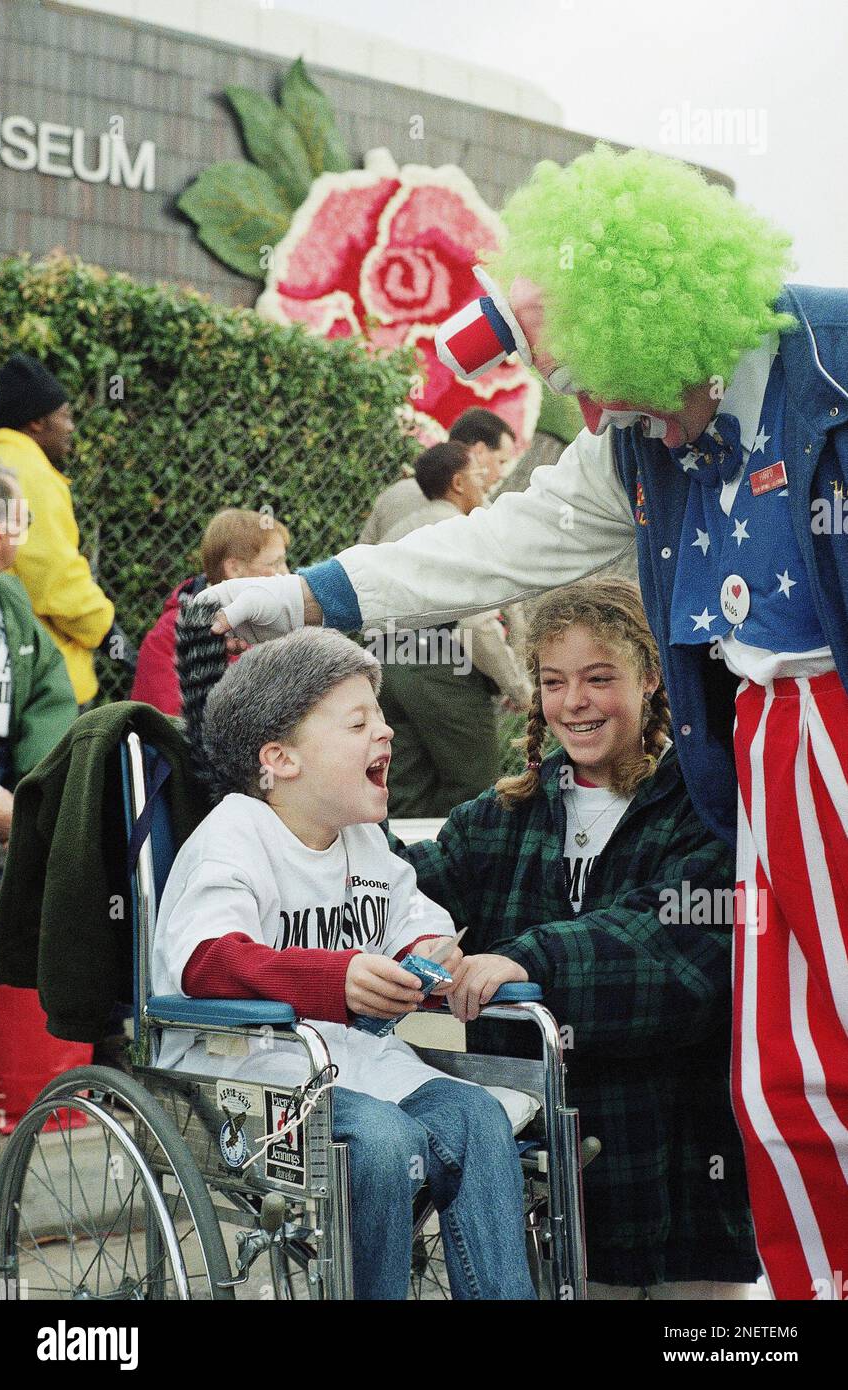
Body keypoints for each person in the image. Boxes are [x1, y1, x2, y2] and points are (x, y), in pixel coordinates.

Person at [198, 145, 848, 1299]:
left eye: (587, 370)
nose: (585, 407)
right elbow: (490, 547)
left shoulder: (830, 359)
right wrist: (308, 595)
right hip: (765, 751)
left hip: (833, 736)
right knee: (785, 1087)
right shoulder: (636, 446)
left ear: (654, 320)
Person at [151, 605, 536, 1300]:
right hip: (249, 1079)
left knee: (476, 1118)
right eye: (357, 724)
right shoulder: (234, 838)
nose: (385, 730)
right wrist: (338, 979)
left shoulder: (362, 841)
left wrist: (431, 958)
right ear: (279, 759)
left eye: (379, 718)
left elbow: (416, 924)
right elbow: (206, 961)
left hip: (355, 1066)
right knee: (384, 1143)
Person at [390, 579, 759, 1297]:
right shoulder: (502, 816)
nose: (574, 703)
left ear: (651, 677)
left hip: (683, 1168)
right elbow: (401, 890)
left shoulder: (708, 803)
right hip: (551, 1176)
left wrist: (522, 959)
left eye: (598, 678)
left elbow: (672, 953)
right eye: (554, 682)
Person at [0, 460, 77, 1151]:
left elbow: (49, 699)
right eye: (19, 518)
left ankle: (17, 1095)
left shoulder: (10, 605)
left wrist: (30, 798)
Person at [376, 441, 531, 816]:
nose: (486, 485)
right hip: (442, 667)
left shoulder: (401, 527)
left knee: (403, 787)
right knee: (474, 787)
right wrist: (517, 685)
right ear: (459, 484)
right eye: (480, 476)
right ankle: (464, 869)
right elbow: (475, 626)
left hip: (385, 662)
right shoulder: (462, 530)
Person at [0, 353, 119, 705]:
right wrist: (105, 629)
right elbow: (54, 577)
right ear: (36, 423)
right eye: (65, 416)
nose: (71, 427)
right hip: (47, 680)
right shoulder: (29, 475)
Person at [131, 508, 290, 716]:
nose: (286, 573)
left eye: (284, 561)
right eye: (275, 563)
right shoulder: (171, 635)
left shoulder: (273, 619)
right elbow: (172, 729)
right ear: (234, 568)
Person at [358, 407, 516, 544]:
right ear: (479, 451)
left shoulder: (397, 492)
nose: (502, 474)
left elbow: (360, 553)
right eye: (501, 462)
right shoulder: (481, 518)